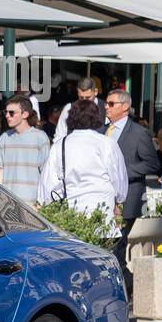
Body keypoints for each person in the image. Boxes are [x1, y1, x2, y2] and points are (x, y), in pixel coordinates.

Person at [39, 99, 128, 235]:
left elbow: (48, 186)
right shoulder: (107, 143)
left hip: (71, 216)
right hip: (103, 214)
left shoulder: (60, 145)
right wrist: (119, 201)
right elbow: (118, 179)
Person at [105, 89, 160, 288]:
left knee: (117, 250)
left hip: (128, 200)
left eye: (111, 104)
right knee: (107, 250)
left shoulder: (139, 133)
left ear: (125, 106)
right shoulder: (101, 131)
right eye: (106, 103)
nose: (106, 107)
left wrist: (122, 171)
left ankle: (130, 287)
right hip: (102, 199)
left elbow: (152, 164)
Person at [0, 95, 50, 203]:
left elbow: (45, 174)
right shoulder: (4, 138)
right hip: (7, 204)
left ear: (25, 114)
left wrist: (41, 202)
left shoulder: (40, 138)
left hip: (31, 205)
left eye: (12, 112)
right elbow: (0, 171)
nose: (7, 116)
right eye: (6, 112)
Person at [53, 77, 102, 142]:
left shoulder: (106, 108)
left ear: (95, 92)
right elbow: (59, 136)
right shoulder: (69, 108)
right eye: (81, 97)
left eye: (88, 97)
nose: (84, 101)